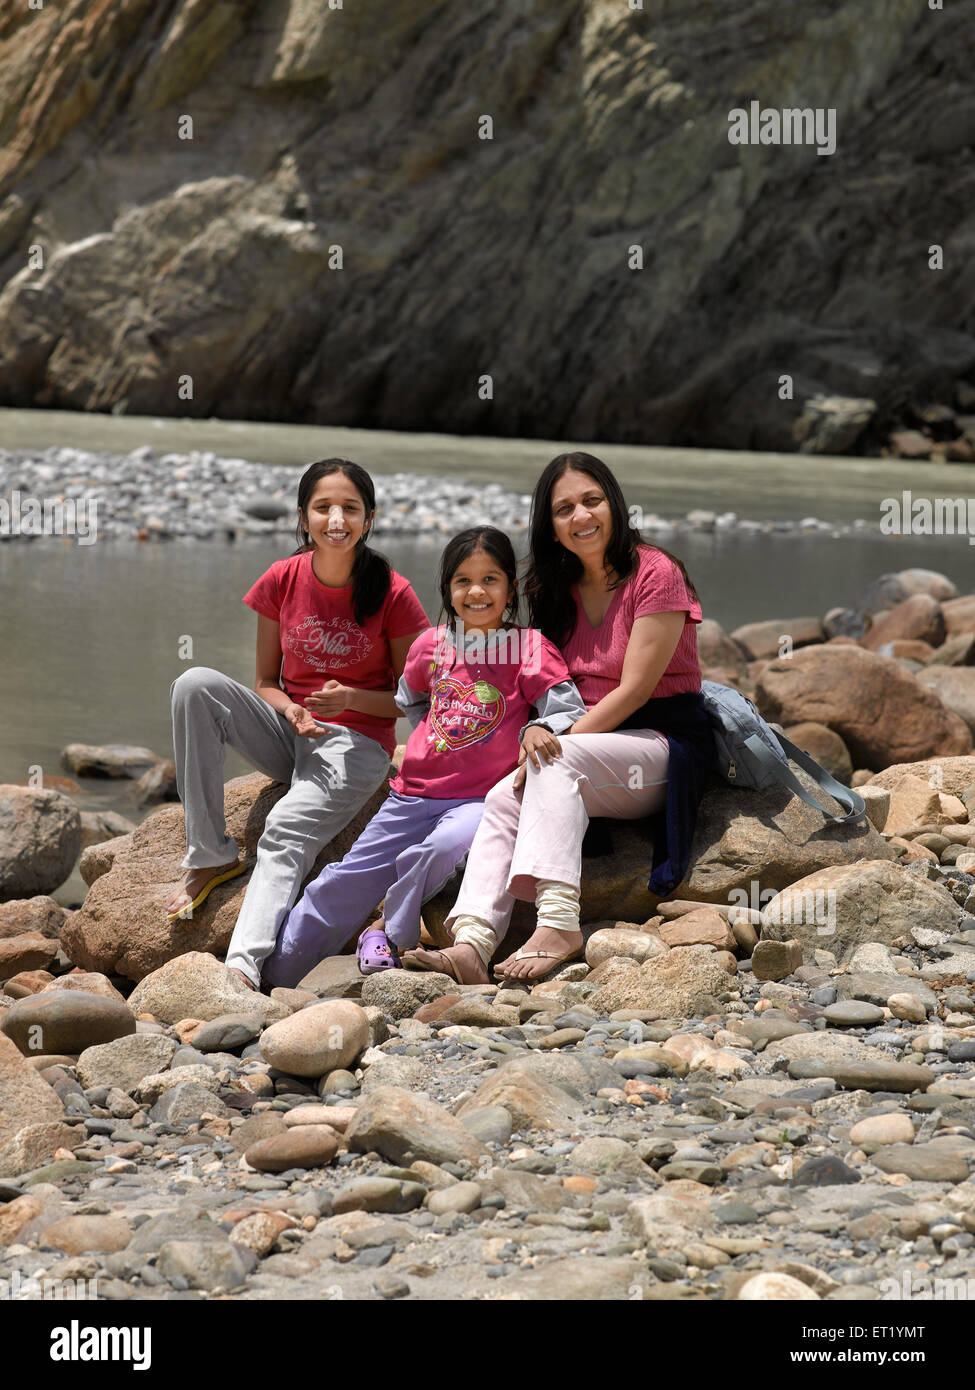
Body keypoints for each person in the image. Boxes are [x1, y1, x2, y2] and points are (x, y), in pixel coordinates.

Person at [403, 451, 713, 985]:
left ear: (615, 506)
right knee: (503, 796)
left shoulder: (656, 572)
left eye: (592, 501)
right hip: (589, 746)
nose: (581, 516)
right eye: (564, 508)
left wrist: (552, 739)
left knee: (551, 761)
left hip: (663, 743)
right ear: (550, 525)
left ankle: (558, 925)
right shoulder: (554, 587)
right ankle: (472, 943)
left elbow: (636, 690)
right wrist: (533, 731)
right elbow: (538, 682)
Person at [262, 526, 587, 987]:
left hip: (479, 800)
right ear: (448, 590)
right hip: (410, 796)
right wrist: (434, 740)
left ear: (510, 587)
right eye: (463, 581)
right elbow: (411, 701)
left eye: (490, 579)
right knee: (346, 879)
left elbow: (567, 706)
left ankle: (385, 932)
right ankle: (272, 979)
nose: (477, 592)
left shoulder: (528, 647)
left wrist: (537, 726)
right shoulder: (430, 644)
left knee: (436, 850)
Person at [165, 458, 428, 990]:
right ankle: (210, 855)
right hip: (289, 731)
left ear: (369, 518)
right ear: (304, 518)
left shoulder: (394, 593)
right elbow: (265, 681)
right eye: (323, 507)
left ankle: (242, 969)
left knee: (283, 828)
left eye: (350, 508)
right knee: (194, 684)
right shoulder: (282, 578)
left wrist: (350, 698)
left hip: (355, 744)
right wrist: (290, 709)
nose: (337, 519)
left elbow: (414, 702)